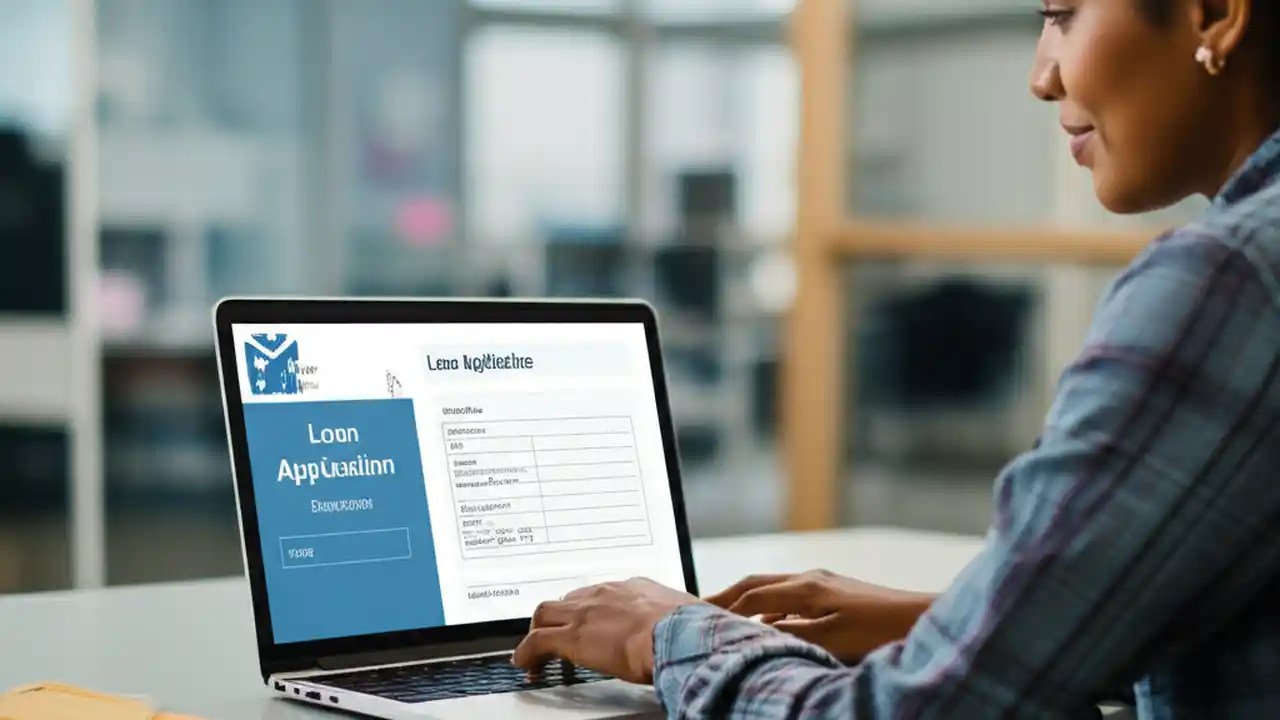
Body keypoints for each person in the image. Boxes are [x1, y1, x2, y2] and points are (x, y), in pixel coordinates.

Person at [512, 0, 1280, 716]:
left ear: (1214, 14)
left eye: (1062, 15)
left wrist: (668, 635)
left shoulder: (1229, 281)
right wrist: (955, 624)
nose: (1041, 75)